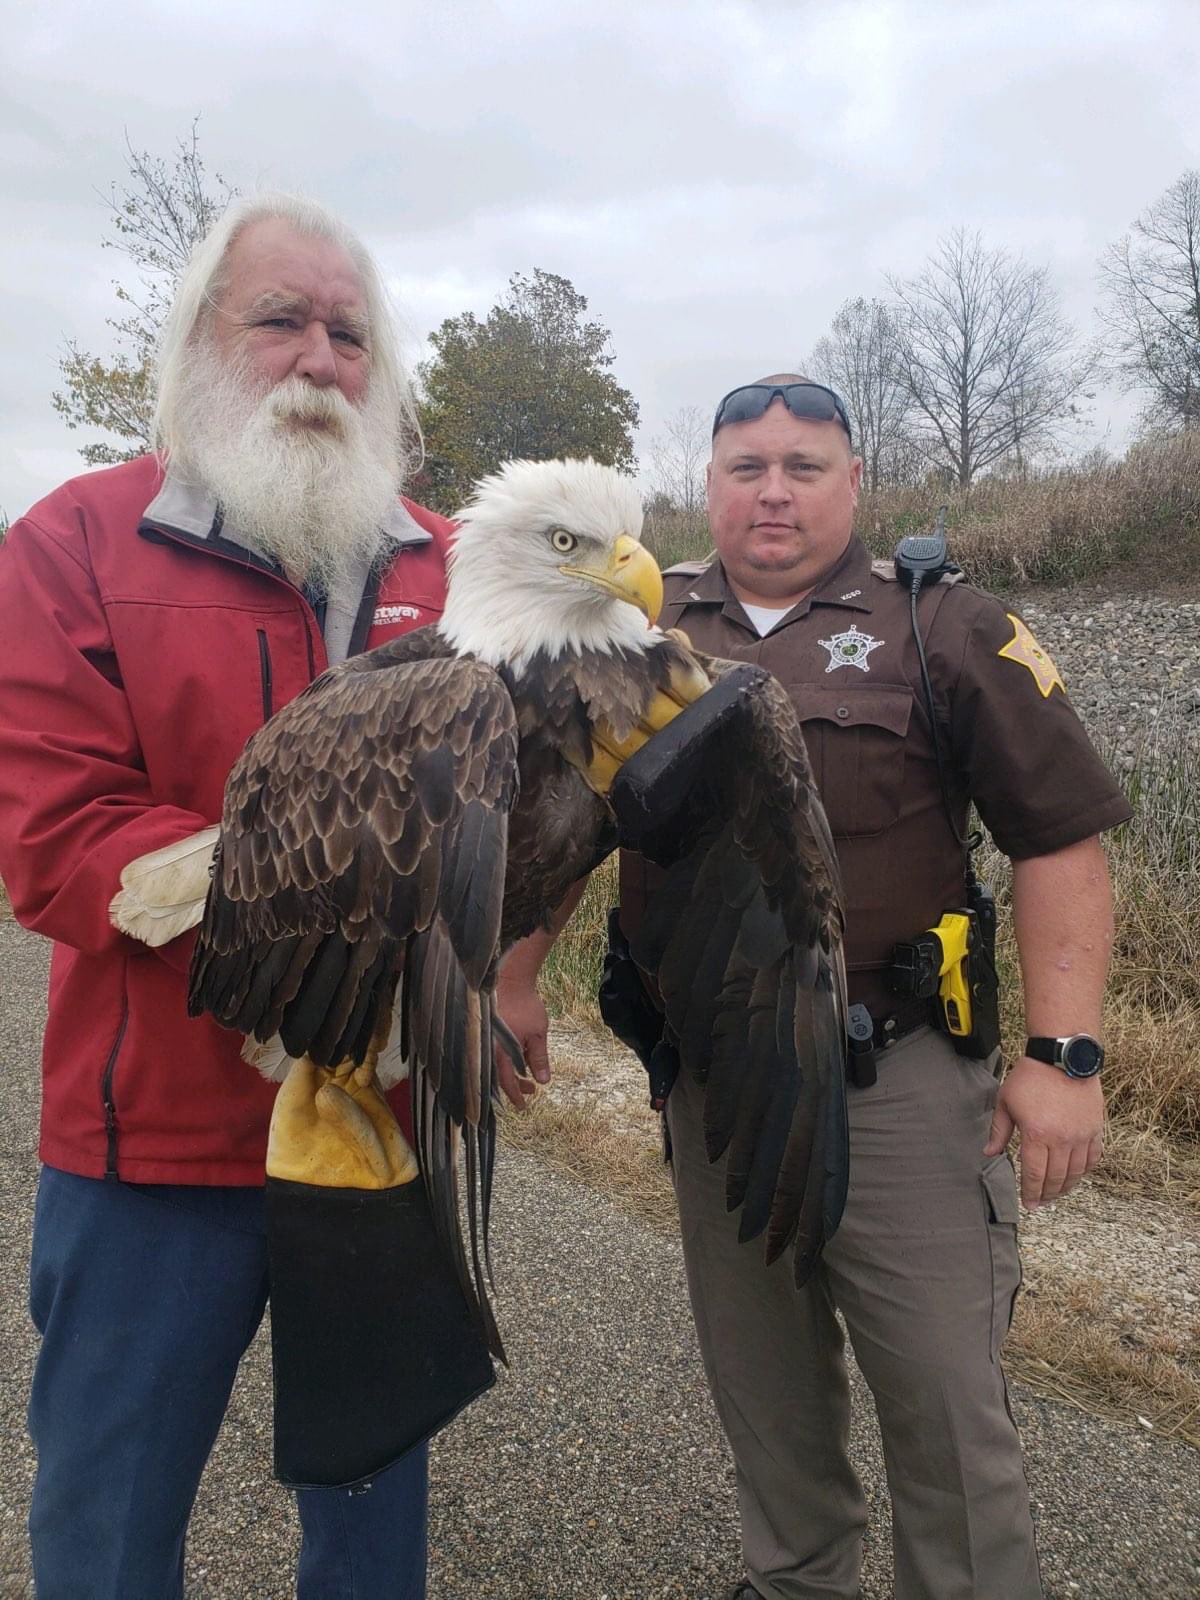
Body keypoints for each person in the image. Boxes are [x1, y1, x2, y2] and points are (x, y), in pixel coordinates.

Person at [497, 376, 1132, 1600]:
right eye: (747, 468)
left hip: (897, 1081)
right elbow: (568, 819)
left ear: (854, 482)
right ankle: (795, 1581)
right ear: (710, 484)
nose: (774, 492)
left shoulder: (945, 626)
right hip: (718, 1083)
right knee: (764, 1383)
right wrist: (517, 974)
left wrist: (1064, 1056)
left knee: (943, 1399)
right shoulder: (637, 623)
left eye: (804, 467)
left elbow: (1059, 840)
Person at [0, 195, 455, 1600]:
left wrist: (507, 965)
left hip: (380, 1129)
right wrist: (317, 946)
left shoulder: (453, 565)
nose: (319, 359)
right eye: (280, 321)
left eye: (349, 334)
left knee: (372, 1513)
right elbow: (54, 825)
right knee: (111, 1518)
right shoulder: (76, 541)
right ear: (203, 336)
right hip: (152, 1145)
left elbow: (535, 812)